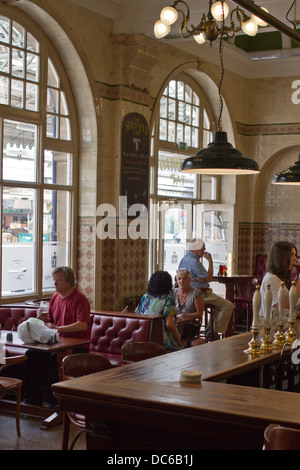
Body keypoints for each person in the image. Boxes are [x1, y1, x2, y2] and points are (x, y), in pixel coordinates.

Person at [23, 266, 90, 406]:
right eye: (54, 280)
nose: (54, 283)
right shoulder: (54, 297)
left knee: (55, 358)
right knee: (31, 353)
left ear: (69, 281)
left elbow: (82, 324)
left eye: (58, 280)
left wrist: (58, 328)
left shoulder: (80, 298)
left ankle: (54, 402)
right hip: (57, 343)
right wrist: (41, 318)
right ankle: (33, 399)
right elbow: (51, 321)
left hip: (78, 346)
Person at [178, 237, 233, 340]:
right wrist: (210, 261)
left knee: (217, 307)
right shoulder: (194, 262)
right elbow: (210, 278)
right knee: (228, 305)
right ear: (195, 248)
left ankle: (210, 329)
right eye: (203, 247)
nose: (204, 250)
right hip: (200, 294)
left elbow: (205, 278)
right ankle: (214, 331)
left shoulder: (184, 259)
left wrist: (203, 279)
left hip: (188, 293)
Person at [135, 270, 183, 352]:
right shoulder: (168, 300)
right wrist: (176, 335)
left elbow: (137, 314)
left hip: (144, 337)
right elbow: (169, 325)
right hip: (162, 341)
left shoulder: (145, 297)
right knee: (181, 349)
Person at [259, 241, 300, 329]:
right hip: (272, 330)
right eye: (291, 255)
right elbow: (283, 308)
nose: (295, 259)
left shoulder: (282, 278)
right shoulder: (271, 279)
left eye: (295, 255)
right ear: (280, 257)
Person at [172, 268, 206, 347]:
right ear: (176, 280)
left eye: (184, 278)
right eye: (179, 279)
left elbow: (199, 313)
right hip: (175, 324)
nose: (181, 281)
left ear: (190, 280)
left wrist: (184, 315)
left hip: (190, 325)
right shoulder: (173, 292)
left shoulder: (196, 293)